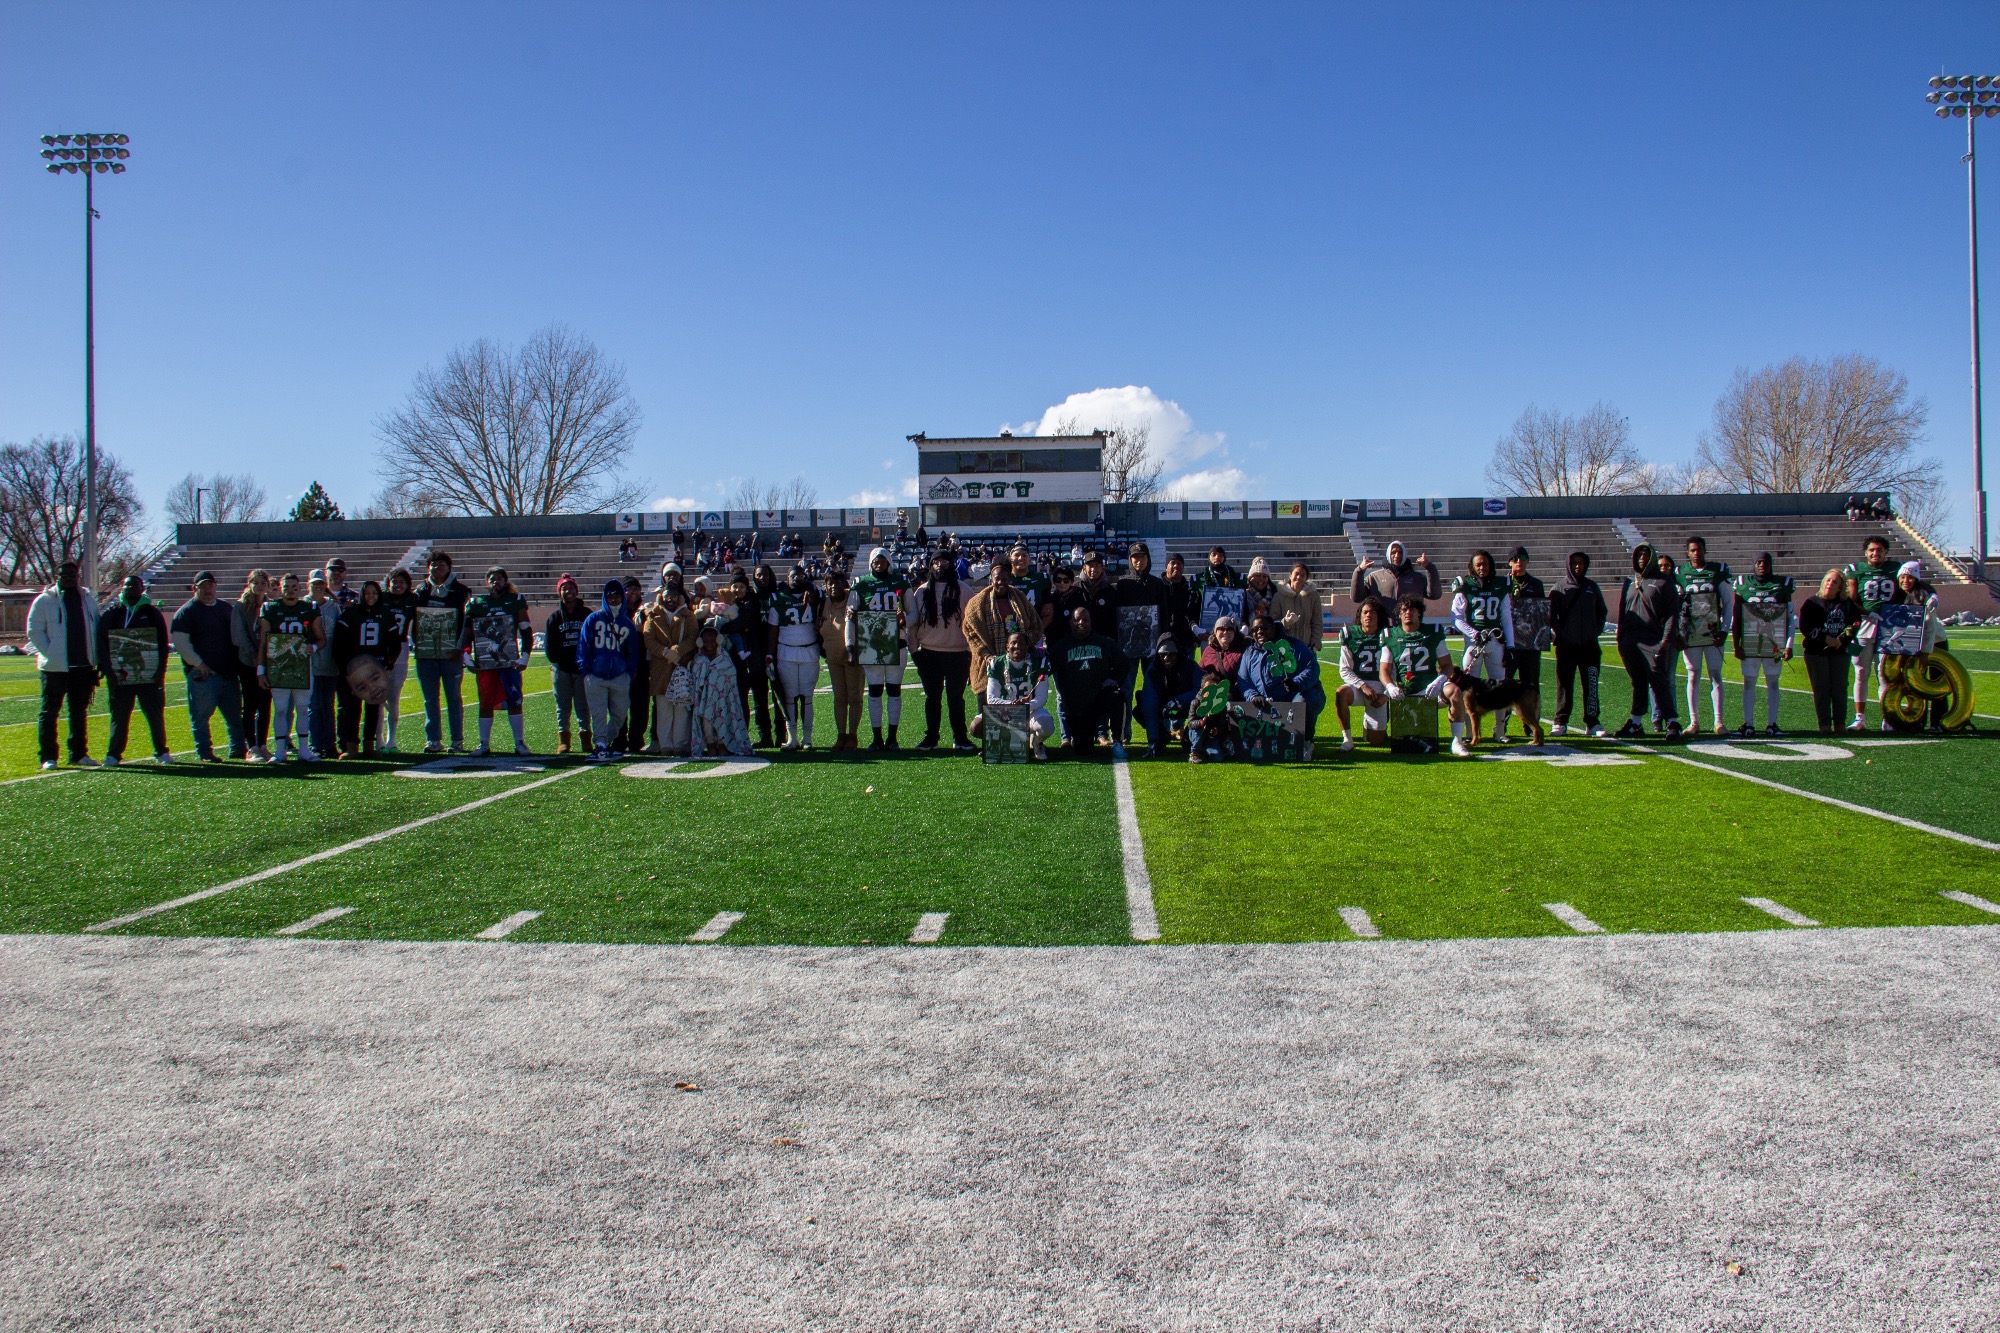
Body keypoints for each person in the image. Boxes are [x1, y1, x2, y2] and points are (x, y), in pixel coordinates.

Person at [27, 560, 101, 771]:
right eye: (64, 576)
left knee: (79, 712)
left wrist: (95, 658)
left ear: (78, 576)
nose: (69, 579)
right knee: (50, 712)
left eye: (73, 575)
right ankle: (48, 756)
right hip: (54, 668)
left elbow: (96, 625)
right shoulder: (44, 601)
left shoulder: (88, 599)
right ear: (57, 577)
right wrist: (50, 652)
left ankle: (78, 753)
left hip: (83, 666)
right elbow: (34, 630)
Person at [166, 571, 245, 763]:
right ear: (195, 588)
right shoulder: (186, 612)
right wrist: (198, 664)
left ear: (216, 586)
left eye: (210, 585)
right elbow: (181, 643)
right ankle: (205, 752)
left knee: (235, 716)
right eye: (203, 586)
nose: (208, 590)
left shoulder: (226, 608)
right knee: (201, 718)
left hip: (228, 673)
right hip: (204, 675)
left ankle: (238, 750)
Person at [906, 549, 979, 752]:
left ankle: (960, 737)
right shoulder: (921, 592)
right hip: (928, 653)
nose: (940, 565)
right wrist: (915, 652)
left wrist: (972, 653)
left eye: (944, 561)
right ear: (930, 565)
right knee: (932, 698)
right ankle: (931, 738)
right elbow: (912, 625)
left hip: (958, 653)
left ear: (951, 564)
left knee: (956, 698)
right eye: (935, 562)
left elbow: (973, 623)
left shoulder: (964, 590)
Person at [96, 575, 173, 766]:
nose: (130, 588)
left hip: (148, 675)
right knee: (119, 716)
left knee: (154, 714)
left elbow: (162, 645)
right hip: (120, 676)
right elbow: (102, 645)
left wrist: (159, 672)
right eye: (127, 585)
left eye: (134, 585)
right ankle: (113, 754)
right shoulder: (113, 613)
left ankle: (162, 751)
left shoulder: (152, 613)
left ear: (142, 588)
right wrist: (109, 672)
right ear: (122, 588)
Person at [460, 566, 534, 757]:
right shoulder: (476, 603)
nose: (496, 581)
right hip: (486, 662)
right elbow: (466, 633)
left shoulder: (514, 600)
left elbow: (526, 630)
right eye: (492, 578)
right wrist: (466, 655)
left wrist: (525, 655)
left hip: (509, 661)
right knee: (485, 702)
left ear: (506, 581)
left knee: (515, 700)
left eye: (500, 578)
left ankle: (519, 742)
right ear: (487, 582)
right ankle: (484, 743)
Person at [1614, 543, 1682, 739]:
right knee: (1638, 682)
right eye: (1639, 555)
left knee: (1658, 680)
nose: (1642, 558)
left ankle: (1672, 720)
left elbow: (1671, 613)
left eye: (1646, 555)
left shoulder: (1663, 582)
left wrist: (1666, 639)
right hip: (1630, 640)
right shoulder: (1629, 582)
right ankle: (1636, 722)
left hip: (1651, 639)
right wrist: (1621, 638)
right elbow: (1622, 611)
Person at [334, 581, 403, 758]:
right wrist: (346, 669)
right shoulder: (351, 614)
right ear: (361, 595)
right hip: (355, 670)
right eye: (367, 593)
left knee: (373, 708)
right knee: (352, 708)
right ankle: (351, 747)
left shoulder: (386, 615)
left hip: (375, 670)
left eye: (374, 593)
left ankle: (370, 746)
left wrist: (388, 665)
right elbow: (338, 644)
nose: (370, 596)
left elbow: (395, 643)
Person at [257, 573, 322, 763]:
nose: (290, 591)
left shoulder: (309, 608)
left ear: (300, 589)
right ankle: (279, 751)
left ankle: (304, 749)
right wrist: (261, 670)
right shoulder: (270, 608)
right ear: (280, 588)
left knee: (303, 708)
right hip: (279, 666)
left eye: (294, 587)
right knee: (281, 709)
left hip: (302, 665)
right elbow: (263, 642)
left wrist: (314, 647)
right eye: (286, 587)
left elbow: (321, 638)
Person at [1240, 614, 1325, 759]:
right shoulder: (1250, 652)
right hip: (1268, 701)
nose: (1259, 632)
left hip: (1296, 695)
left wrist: (1296, 683)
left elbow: (1312, 669)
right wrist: (1253, 695)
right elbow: (1243, 680)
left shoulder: (1294, 646)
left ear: (1274, 627)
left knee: (1303, 701)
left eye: (1263, 628)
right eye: (1255, 629)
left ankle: (1305, 743)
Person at [411, 551, 472, 753]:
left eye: (441, 564)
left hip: (450, 654)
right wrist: (416, 645)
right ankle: (433, 740)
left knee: (453, 697)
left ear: (449, 567)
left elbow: (466, 623)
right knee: (430, 699)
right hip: (426, 654)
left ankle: (457, 741)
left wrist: (459, 648)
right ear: (428, 568)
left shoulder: (461, 591)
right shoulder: (420, 591)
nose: (437, 568)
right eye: (433, 565)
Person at [1450, 550, 1514, 741]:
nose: (1482, 568)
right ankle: (1470, 732)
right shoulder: (1464, 585)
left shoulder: (1501, 584)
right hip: (1473, 643)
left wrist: (1510, 645)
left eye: (1485, 564)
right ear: (1472, 566)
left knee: (1500, 687)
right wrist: (1474, 633)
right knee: (1468, 689)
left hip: (1495, 640)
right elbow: (1457, 618)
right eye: (1478, 564)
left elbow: (1506, 616)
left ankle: (1500, 731)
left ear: (1491, 565)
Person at [1728, 552, 1794, 736]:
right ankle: (1748, 723)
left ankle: (1772, 723)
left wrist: (1789, 645)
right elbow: (1737, 617)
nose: (1762, 565)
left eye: (1765, 562)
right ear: (1754, 564)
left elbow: (1789, 617)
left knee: (1773, 682)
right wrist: (1736, 644)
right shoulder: (1743, 584)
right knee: (1749, 682)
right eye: (1759, 562)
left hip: (1774, 641)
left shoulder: (1782, 584)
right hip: (1751, 642)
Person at [1111, 543, 1171, 745]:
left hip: (1152, 647)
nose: (1139, 561)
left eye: (1142, 557)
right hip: (1128, 646)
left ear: (1148, 559)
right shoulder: (1122, 584)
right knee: (1126, 689)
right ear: (1130, 560)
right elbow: (1117, 616)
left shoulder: (1157, 584)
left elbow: (1163, 615)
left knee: (1153, 689)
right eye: (1135, 557)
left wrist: (1161, 643)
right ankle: (1124, 732)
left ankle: (1155, 731)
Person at [1377, 595, 1451, 755]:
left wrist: (1439, 681)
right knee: (1385, 736)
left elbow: (1447, 666)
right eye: (1404, 610)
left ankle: (1457, 740)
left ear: (1419, 612)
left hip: (1430, 690)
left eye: (1412, 609)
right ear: (1398, 614)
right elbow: (1384, 671)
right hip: (1404, 692)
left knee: (1455, 692)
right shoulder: (1390, 635)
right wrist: (1390, 686)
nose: (1408, 612)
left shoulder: (1433, 632)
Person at [1674, 536, 1733, 737]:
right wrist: (1679, 633)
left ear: (1704, 550)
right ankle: (1694, 721)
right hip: (1691, 634)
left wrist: (1724, 630)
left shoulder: (1717, 572)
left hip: (1713, 633)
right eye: (1693, 550)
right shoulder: (1681, 574)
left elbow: (1728, 603)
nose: (1696, 553)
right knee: (1693, 676)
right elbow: (1677, 605)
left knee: (1716, 675)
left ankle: (1718, 721)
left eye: (1699, 549)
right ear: (1687, 553)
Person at [580, 577, 643, 762]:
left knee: (620, 714)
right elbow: (584, 645)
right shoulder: (593, 619)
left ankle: (606, 742)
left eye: (616, 596)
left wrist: (629, 674)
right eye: (610, 596)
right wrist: (586, 670)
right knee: (598, 713)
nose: (613, 600)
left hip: (619, 676)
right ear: (604, 598)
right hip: (596, 675)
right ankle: (600, 744)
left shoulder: (627, 624)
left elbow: (633, 652)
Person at [1843, 535, 1902, 731]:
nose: (1876, 553)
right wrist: (1866, 613)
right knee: (1861, 672)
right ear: (1865, 552)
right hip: (1864, 625)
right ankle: (1860, 718)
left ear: (1886, 552)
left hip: (1889, 626)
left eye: (1880, 550)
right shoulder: (1856, 570)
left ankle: (1888, 718)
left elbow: (1911, 586)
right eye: (1872, 550)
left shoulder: (1896, 568)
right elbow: (1852, 598)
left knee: (1884, 675)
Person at [1547, 551, 1608, 738]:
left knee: (1590, 683)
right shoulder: (1559, 587)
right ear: (1568, 565)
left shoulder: (1592, 587)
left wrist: (1594, 631)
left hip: (1589, 645)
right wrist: (1562, 633)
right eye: (1574, 563)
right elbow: (1551, 615)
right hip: (1566, 646)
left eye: (1581, 563)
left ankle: (1592, 722)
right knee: (1565, 684)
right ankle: (1561, 721)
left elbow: (1602, 612)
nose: (1578, 567)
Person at [1049, 606, 1123, 758]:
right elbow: (1045, 669)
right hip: (1077, 705)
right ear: (1070, 622)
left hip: (1099, 699)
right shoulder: (1060, 647)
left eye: (1085, 619)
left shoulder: (1104, 643)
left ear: (1091, 621)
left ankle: (1118, 741)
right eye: (1077, 620)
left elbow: (1123, 663)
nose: (1081, 623)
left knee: (1117, 697)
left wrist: (1114, 679)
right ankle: (1078, 737)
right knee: (1083, 751)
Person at [765, 564, 823, 751]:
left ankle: (807, 738)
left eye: (800, 576)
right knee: (789, 696)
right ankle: (792, 738)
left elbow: (824, 595)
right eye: (793, 576)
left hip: (809, 651)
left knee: (807, 696)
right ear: (787, 578)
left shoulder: (815, 595)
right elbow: (773, 630)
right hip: (786, 651)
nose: (796, 579)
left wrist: (812, 588)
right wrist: (769, 654)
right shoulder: (777, 597)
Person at [974, 629, 1054, 761]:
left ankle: (1037, 742)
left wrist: (1024, 707)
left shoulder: (1038, 662)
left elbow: (1041, 698)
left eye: (1021, 643)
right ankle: (998, 745)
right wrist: (1012, 706)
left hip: (1030, 710)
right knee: (976, 726)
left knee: (1046, 726)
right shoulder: (997, 664)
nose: (1017, 646)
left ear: (1027, 646)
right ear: (1007, 646)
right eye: (1013, 643)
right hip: (1004, 711)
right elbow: (991, 699)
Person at [1799, 569, 1859, 735]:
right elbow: (1805, 626)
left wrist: (1842, 639)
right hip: (1816, 652)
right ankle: (1824, 724)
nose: (1830, 584)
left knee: (1839, 688)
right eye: (1828, 580)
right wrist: (1824, 638)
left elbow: (1855, 623)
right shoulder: (1812, 603)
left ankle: (1840, 723)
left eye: (1835, 582)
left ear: (1840, 587)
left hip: (1839, 652)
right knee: (1821, 688)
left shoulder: (1846, 604)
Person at [963, 562, 1037, 695]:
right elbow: (971, 633)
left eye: (1005, 579)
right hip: (988, 665)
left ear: (1009, 579)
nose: (1001, 582)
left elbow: (1035, 625)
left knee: (1017, 712)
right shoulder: (976, 603)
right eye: (997, 579)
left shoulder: (1019, 598)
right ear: (991, 579)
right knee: (988, 713)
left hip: (1018, 665)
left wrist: (1024, 643)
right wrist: (987, 655)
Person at [643, 584, 697, 754]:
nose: (671, 599)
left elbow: (693, 637)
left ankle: (680, 744)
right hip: (661, 667)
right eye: (667, 595)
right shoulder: (653, 615)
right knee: (663, 708)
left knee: (681, 707)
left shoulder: (688, 616)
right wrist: (665, 652)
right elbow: (648, 639)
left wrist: (678, 651)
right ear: (662, 597)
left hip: (681, 665)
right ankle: (666, 745)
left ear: (680, 598)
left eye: (674, 595)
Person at [1335, 597, 1391, 750]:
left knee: (1376, 742)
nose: (1369, 615)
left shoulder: (1388, 635)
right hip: (1358, 687)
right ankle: (1347, 739)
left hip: (1379, 688)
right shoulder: (1350, 635)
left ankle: (1368, 725)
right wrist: (1362, 685)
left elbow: (1395, 669)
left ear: (1379, 616)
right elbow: (1344, 669)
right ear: (1359, 616)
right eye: (1365, 612)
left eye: (1373, 612)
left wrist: (1386, 695)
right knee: (1341, 692)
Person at [544, 575, 592, 754]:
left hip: (581, 669)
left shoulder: (586, 614)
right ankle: (564, 739)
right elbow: (550, 646)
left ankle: (586, 737)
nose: (568, 591)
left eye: (571, 588)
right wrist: (558, 662)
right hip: (561, 669)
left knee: (582, 706)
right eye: (564, 589)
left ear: (577, 591)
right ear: (560, 593)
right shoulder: (554, 618)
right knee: (562, 707)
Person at [689, 622, 753, 756]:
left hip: (723, 699)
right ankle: (710, 743)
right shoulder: (698, 660)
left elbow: (730, 677)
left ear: (718, 641)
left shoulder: (725, 659)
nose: (709, 644)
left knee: (724, 718)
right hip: (704, 700)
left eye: (712, 641)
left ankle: (722, 743)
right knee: (706, 721)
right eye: (706, 641)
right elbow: (696, 680)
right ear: (700, 642)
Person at [820, 568, 865, 751]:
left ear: (844, 584)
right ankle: (840, 735)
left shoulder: (852, 599)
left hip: (852, 657)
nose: (833, 587)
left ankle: (852, 735)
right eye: (830, 583)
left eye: (837, 583)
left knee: (854, 697)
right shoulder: (823, 603)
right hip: (832, 657)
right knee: (839, 698)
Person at [1134, 633, 1199, 757]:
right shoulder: (1153, 670)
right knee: (1140, 709)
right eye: (1162, 655)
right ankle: (1161, 737)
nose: (1166, 658)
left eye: (1171, 654)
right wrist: (1152, 741)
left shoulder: (1191, 666)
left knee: (1201, 706)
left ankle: (1190, 736)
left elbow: (1200, 691)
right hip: (1163, 705)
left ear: (1178, 653)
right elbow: (1149, 703)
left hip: (1187, 704)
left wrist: (1179, 701)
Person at [233, 569, 273, 761]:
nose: (259, 586)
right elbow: (239, 636)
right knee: (250, 704)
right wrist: (256, 655)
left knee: (265, 704)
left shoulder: (270, 606)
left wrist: (266, 658)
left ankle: (263, 744)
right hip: (247, 662)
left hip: (267, 662)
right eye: (255, 582)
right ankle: (252, 747)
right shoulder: (240, 607)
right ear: (249, 584)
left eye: (262, 583)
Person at [307, 570, 348, 758]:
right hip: (310, 663)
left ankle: (330, 744)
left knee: (328, 705)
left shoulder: (333, 607)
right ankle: (315, 744)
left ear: (325, 585)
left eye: (320, 584)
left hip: (330, 662)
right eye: (314, 584)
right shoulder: (304, 605)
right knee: (314, 706)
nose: (317, 587)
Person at [378, 567, 418, 751]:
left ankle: (392, 739)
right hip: (379, 648)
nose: (398, 585)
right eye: (395, 581)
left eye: (402, 582)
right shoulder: (381, 598)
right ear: (388, 583)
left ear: (408, 584)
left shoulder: (412, 600)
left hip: (400, 648)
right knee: (377, 697)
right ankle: (379, 740)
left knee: (393, 697)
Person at [1349, 540, 1440, 607]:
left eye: (1400, 552)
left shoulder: (1417, 578)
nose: (1397, 556)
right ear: (1388, 554)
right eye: (1393, 552)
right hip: (1385, 629)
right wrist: (1359, 571)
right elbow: (1356, 598)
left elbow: (1435, 595)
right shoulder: (1374, 578)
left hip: (1410, 627)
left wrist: (1430, 567)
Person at [619, 575, 652, 751]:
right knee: (620, 704)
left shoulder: (646, 609)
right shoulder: (616, 611)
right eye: (629, 589)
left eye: (636, 589)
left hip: (641, 664)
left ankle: (636, 739)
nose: (633, 592)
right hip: (621, 666)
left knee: (640, 705)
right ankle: (619, 738)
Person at [1270, 562, 1323, 656]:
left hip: (1306, 647)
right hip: (1285, 648)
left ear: (1306, 578)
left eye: (1302, 575)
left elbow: (1317, 622)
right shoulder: (1279, 596)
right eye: (1296, 574)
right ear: (1290, 575)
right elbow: (1272, 622)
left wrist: (1315, 645)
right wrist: (1285, 622)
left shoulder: (1313, 596)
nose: (1299, 577)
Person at [1159, 551, 1199, 653]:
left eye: (1179, 563)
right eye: (1173, 563)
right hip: (1164, 640)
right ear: (1166, 567)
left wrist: (1196, 637)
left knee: (1187, 669)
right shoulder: (1158, 587)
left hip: (1187, 641)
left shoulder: (1191, 589)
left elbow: (1195, 613)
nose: (1176, 566)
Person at [1199, 615, 1248, 685]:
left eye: (1229, 629)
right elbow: (1200, 673)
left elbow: (1246, 678)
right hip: (1211, 693)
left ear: (1235, 632)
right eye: (1221, 629)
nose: (1225, 632)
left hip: (1234, 693)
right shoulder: (1208, 650)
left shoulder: (1243, 650)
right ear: (1215, 632)